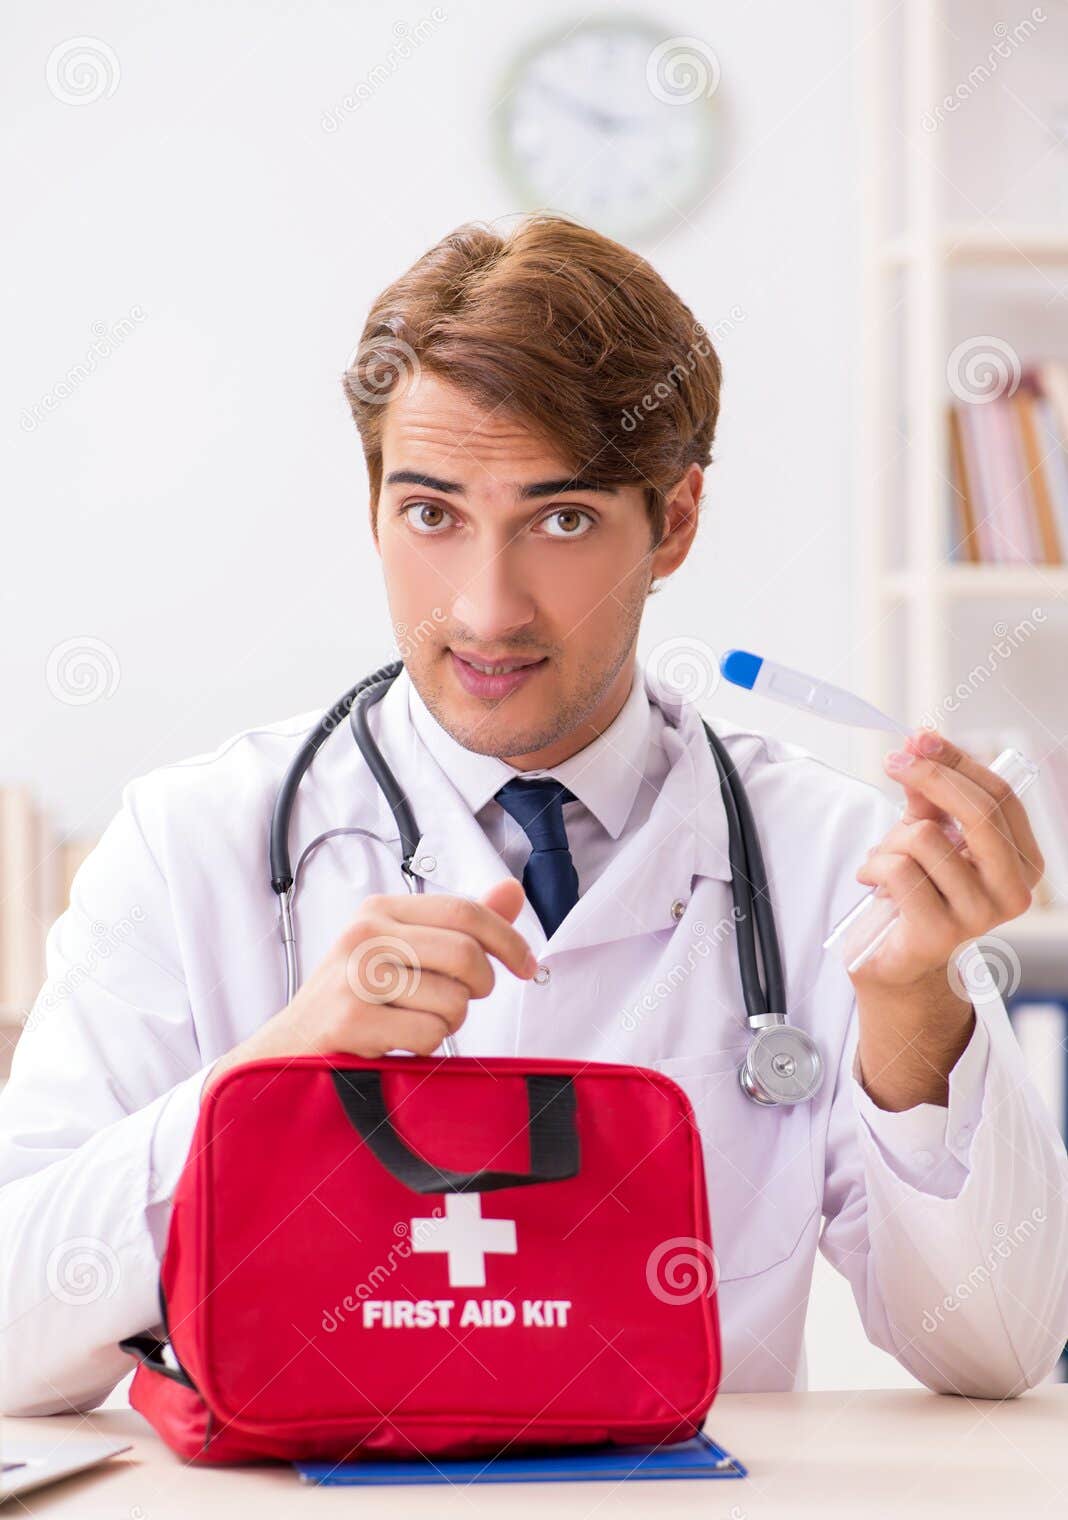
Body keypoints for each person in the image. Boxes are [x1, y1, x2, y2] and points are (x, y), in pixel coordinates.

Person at [2, 215, 1065, 1419]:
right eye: (432, 514)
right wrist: (271, 1077)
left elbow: (999, 1349)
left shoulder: (830, 862)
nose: (484, 607)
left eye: (560, 520)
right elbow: (12, 1336)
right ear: (373, 508)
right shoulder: (195, 840)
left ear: (674, 522)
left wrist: (913, 1010)